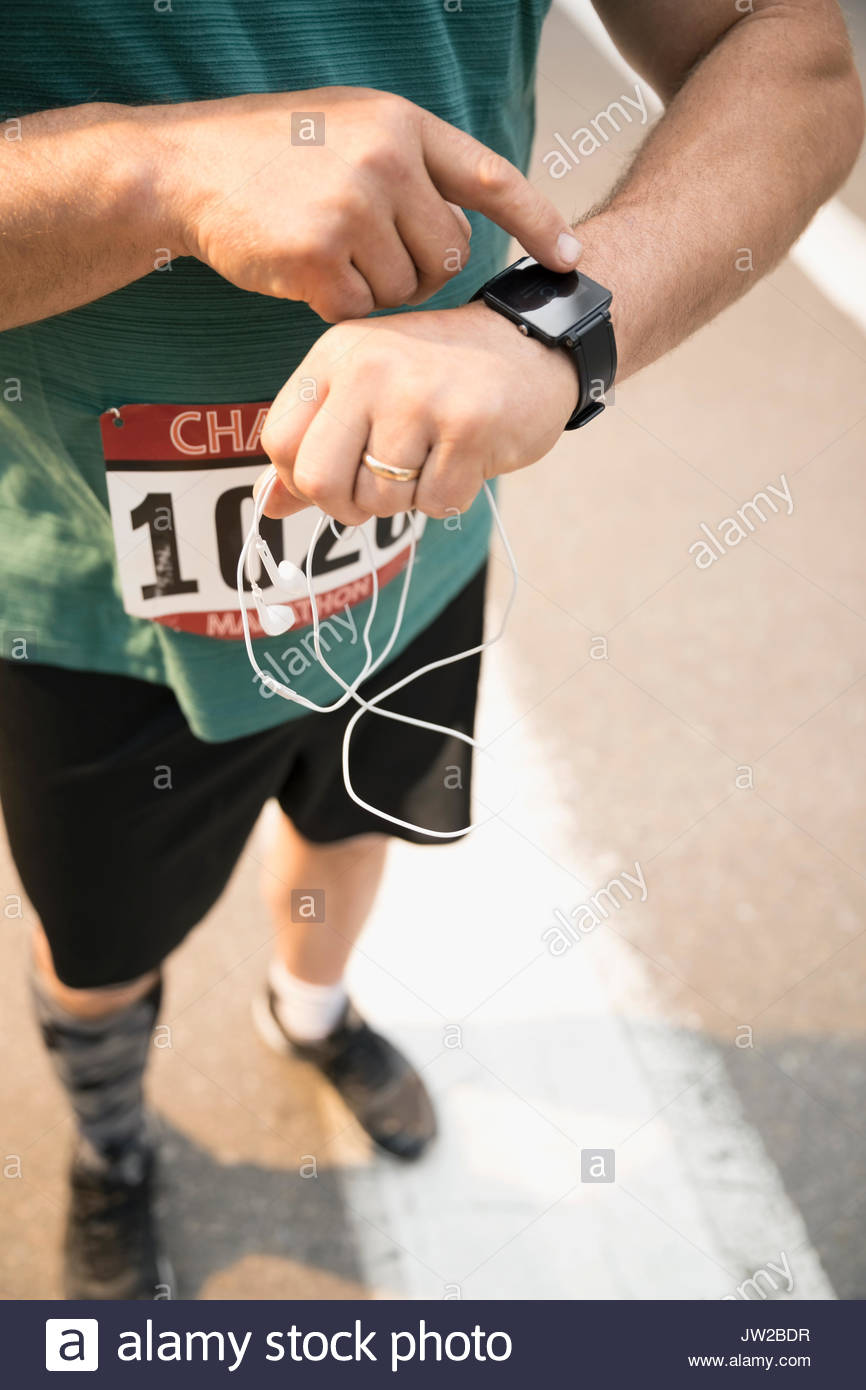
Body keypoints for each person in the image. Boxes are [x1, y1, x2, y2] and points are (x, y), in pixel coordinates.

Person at [0, 1, 861, 1301]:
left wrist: (558, 328)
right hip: (80, 602)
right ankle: (114, 1142)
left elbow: (787, 55)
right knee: (101, 941)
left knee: (354, 825)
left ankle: (311, 1012)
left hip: (414, 558)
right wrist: (151, 175)